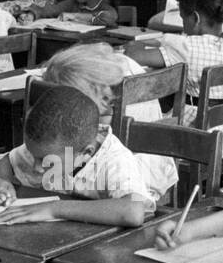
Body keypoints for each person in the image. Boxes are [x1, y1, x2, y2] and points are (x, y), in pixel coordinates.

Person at [0, 85, 154, 226]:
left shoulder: (114, 160)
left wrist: (54, 209)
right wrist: (3, 183)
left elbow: (133, 211)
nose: (37, 167)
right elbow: (5, 163)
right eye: (34, 156)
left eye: (46, 162)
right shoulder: (49, 148)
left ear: (86, 153)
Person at [39, 42, 178, 204]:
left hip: (132, 184)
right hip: (114, 182)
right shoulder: (102, 75)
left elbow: (131, 206)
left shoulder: (107, 141)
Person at [135, 0, 223, 161]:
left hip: (195, 138)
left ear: (195, 18)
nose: (183, 26)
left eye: (183, 19)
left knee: (135, 133)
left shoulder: (186, 47)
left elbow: (135, 56)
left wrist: (141, 42)